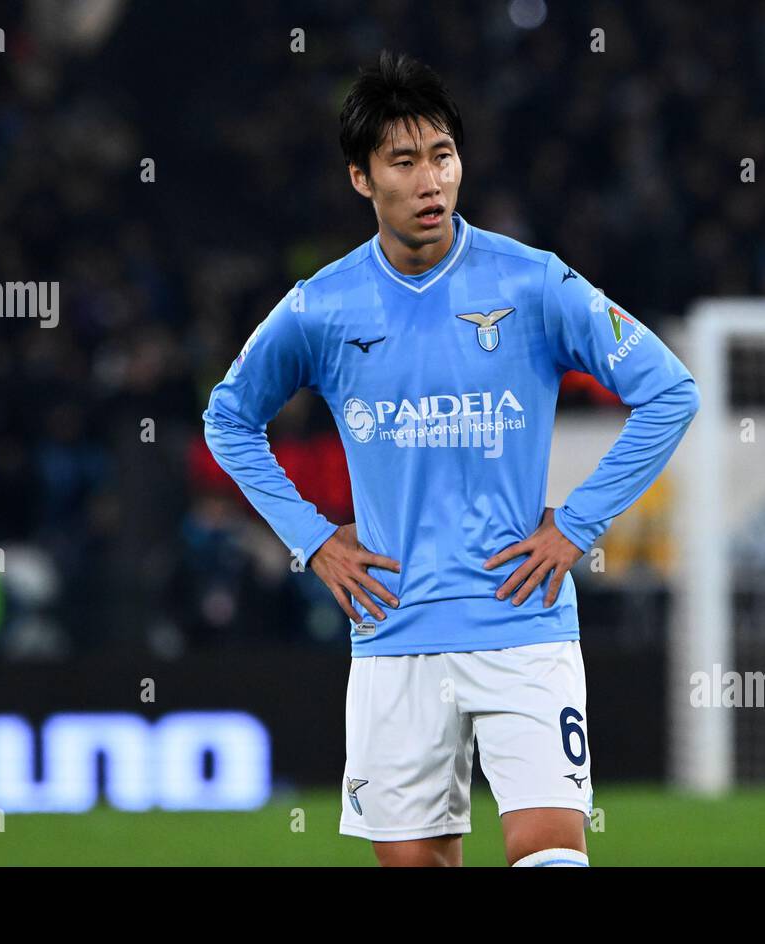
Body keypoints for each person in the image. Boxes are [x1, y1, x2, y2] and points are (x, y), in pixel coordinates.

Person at [203, 51, 699, 866]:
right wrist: (315, 539)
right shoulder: (322, 306)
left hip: (522, 620)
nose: (431, 180)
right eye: (405, 161)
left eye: (443, 155)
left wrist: (577, 526)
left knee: (551, 857)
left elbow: (670, 392)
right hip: (395, 629)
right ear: (362, 178)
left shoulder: (532, 282)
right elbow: (229, 420)